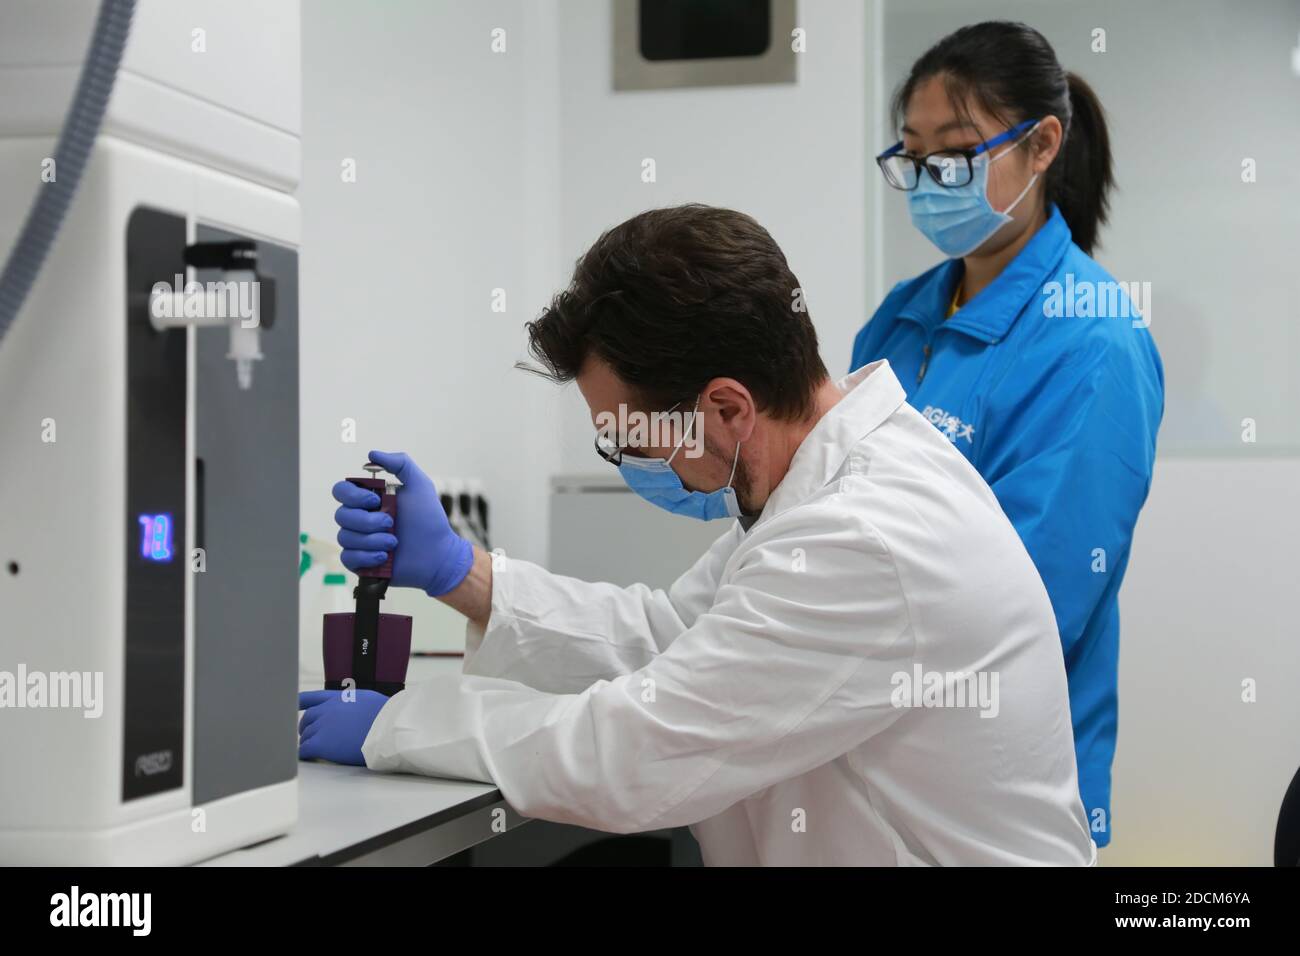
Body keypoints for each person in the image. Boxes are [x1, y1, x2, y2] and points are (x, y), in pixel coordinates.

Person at [299, 204, 1096, 866]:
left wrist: (398, 728)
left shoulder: (865, 537)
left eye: (625, 435)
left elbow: (641, 749)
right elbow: (674, 644)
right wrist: (463, 573)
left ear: (724, 409)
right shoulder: (815, 493)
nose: (625, 461)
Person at [851, 21, 1163, 848]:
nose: (928, 180)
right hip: (867, 751)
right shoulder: (899, 318)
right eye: (912, 158)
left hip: (997, 777)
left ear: (1042, 146)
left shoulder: (1095, 341)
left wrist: (837, 660)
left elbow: (1033, 599)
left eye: (954, 154)